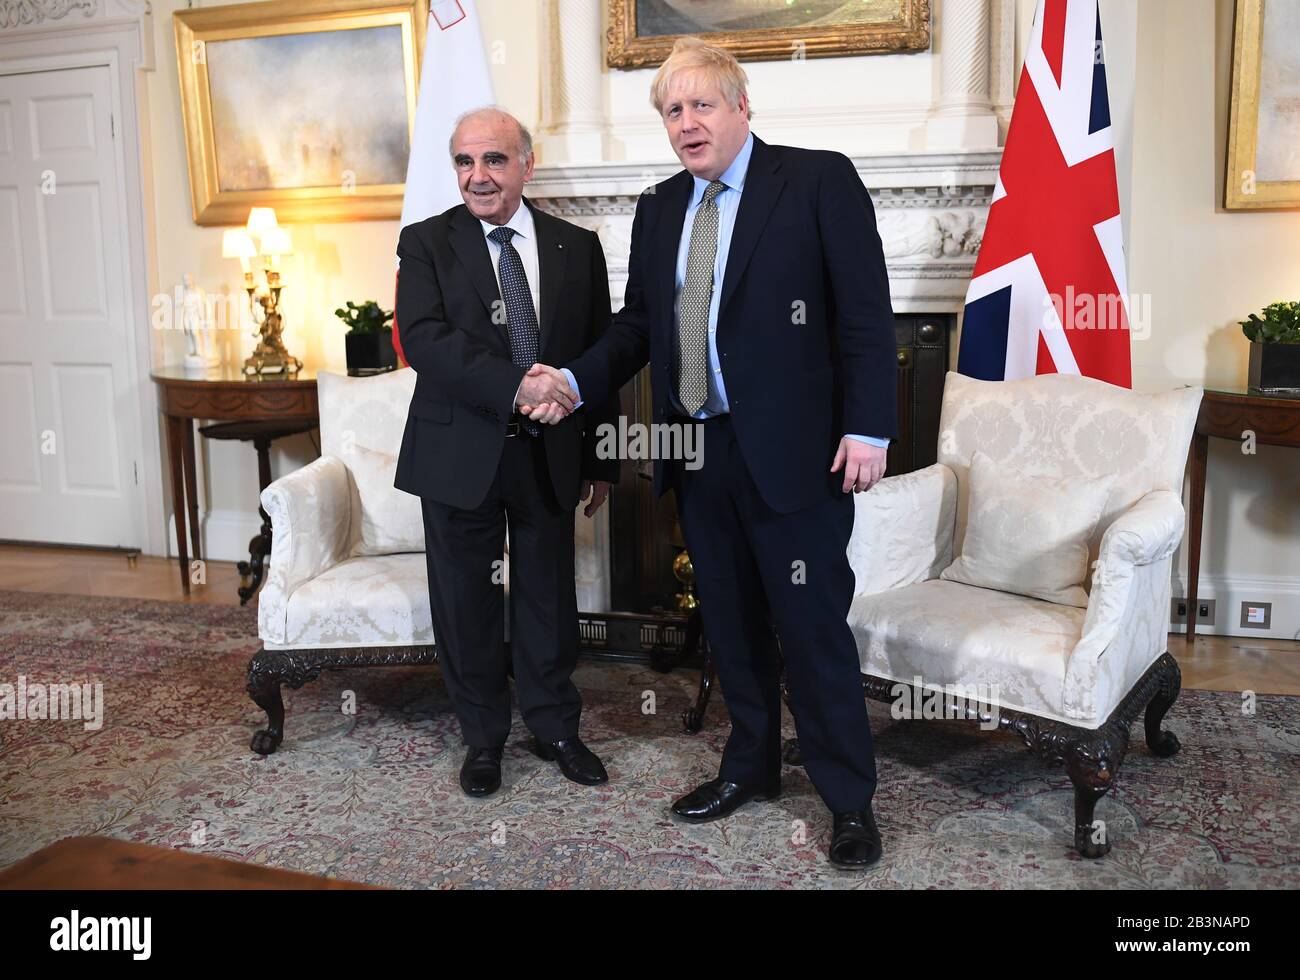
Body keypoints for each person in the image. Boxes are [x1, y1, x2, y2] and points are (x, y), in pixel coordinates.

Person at [521, 39, 897, 868]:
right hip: (698, 451)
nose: (686, 123)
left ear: (741, 107)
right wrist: (574, 383)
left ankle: (849, 801)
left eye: (701, 105)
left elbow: (868, 314)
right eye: (671, 111)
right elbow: (638, 329)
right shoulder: (660, 208)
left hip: (798, 458)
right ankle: (750, 768)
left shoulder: (816, 180)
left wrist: (869, 428)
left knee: (811, 632)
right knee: (729, 628)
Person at [394, 107, 619, 798]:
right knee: (467, 602)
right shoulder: (427, 243)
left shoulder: (576, 246)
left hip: (549, 453)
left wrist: (599, 456)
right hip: (459, 453)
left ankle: (555, 729)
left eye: (493, 160)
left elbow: (596, 354)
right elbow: (425, 341)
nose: (478, 176)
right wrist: (520, 385)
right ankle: (484, 738)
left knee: (548, 597)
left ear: (527, 163)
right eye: (465, 161)